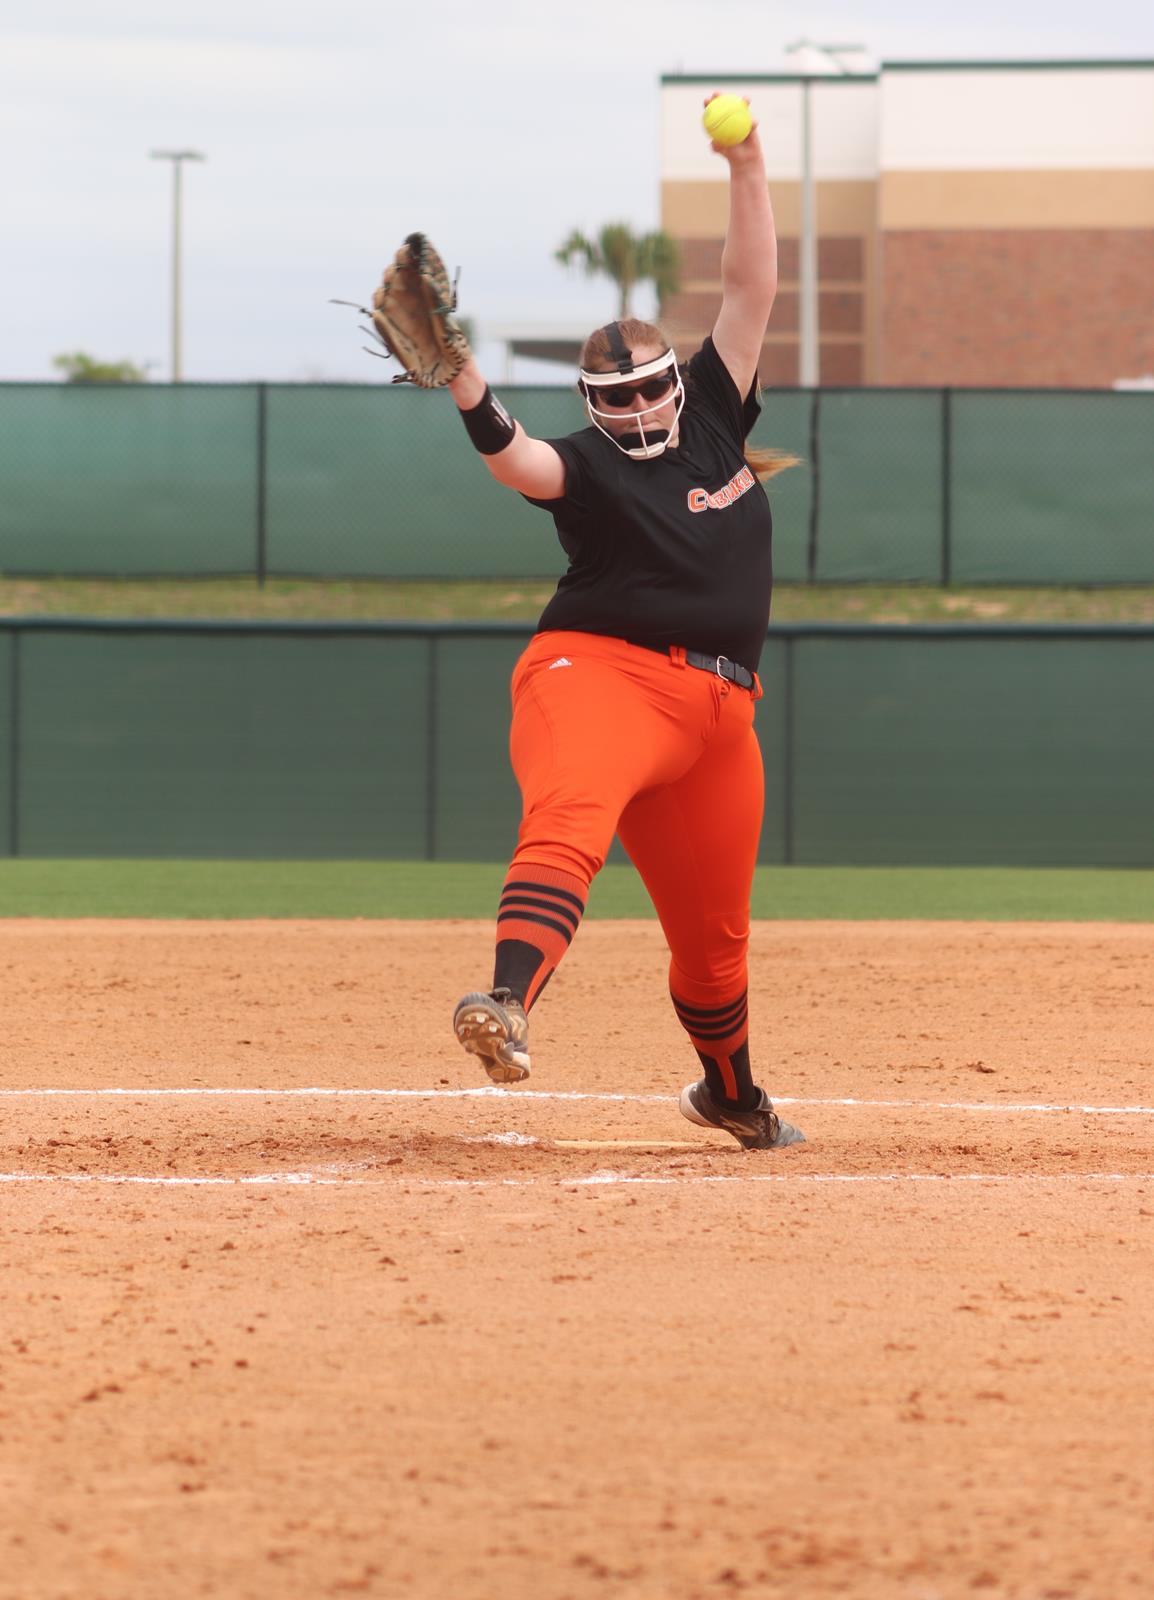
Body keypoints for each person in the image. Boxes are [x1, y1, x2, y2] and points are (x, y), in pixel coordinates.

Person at [447, 96, 804, 1151]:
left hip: (718, 714)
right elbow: (518, 459)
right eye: (615, 397)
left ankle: (730, 1093)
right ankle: (506, 1002)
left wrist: (746, 162)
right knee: (571, 814)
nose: (637, 408)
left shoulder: (715, 410)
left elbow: (750, 287)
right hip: (599, 674)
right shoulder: (586, 465)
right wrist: (465, 384)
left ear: (675, 382)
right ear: (591, 403)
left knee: (715, 939)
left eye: (649, 388)